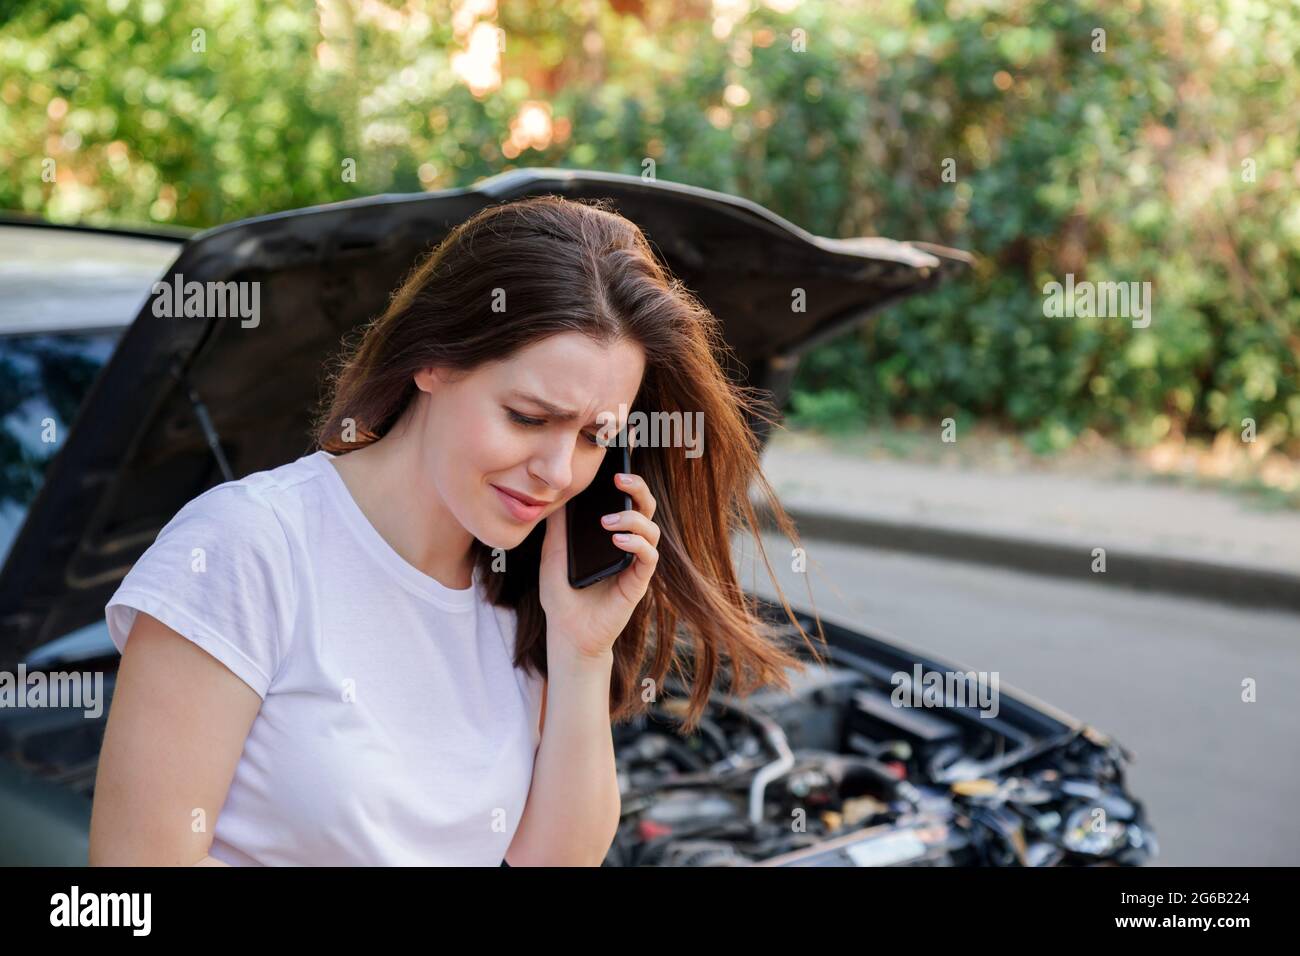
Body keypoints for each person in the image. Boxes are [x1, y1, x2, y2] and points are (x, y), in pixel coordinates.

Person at [88, 194, 823, 866]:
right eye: (529, 418)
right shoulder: (247, 549)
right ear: (431, 361)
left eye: (597, 435)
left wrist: (582, 651)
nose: (558, 470)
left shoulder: (525, 587)